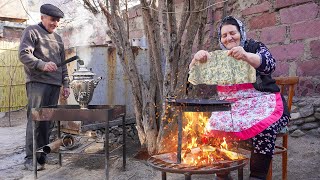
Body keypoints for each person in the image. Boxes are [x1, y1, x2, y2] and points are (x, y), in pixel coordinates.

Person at [189, 16, 290, 180]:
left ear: (241, 33)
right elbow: (193, 77)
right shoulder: (217, 58)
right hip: (232, 106)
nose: (229, 38)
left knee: (264, 127)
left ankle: (257, 176)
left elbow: (270, 64)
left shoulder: (253, 46)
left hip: (263, 102)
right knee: (213, 125)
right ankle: (222, 174)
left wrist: (246, 56)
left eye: (232, 33)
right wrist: (196, 60)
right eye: (224, 35)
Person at [19, 4, 70, 171]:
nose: (55, 23)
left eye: (57, 21)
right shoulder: (31, 31)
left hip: (55, 85)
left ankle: (41, 156)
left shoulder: (59, 39)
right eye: (52, 19)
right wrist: (41, 64)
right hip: (38, 83)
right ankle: (30, 158)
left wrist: (66, 84)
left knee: (47, 123)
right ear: (42, 17)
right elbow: (24, 54)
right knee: (35, 120)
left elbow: (63, 66)